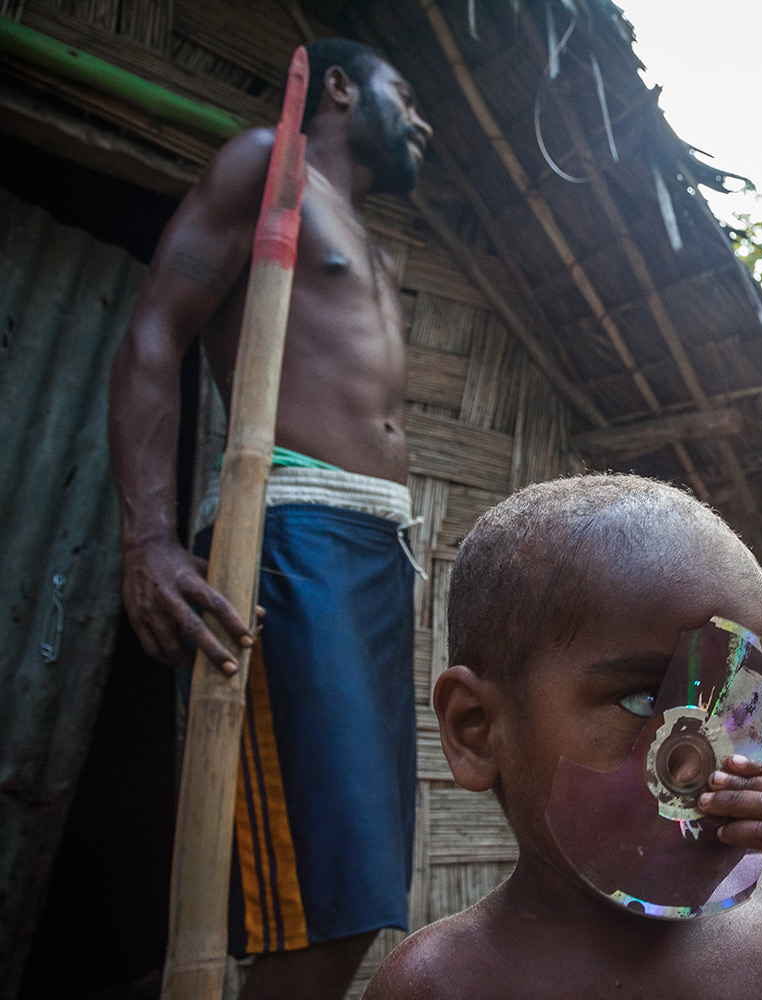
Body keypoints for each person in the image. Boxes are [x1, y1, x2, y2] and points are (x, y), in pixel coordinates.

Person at [107, 38, 433, 1000]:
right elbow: (156, 332)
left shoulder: (372, 245)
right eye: (404, 93)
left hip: (378, 554)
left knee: (362, 892)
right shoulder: (268, 164)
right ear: (337, 87)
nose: (422, 122)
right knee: (324, 903)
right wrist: (149, 538)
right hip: (293, 536)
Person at [364, 474, 762, 1000]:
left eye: (738, 705)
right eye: (640, 699)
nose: (697, 763)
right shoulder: (438, 983)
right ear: (478, 731)